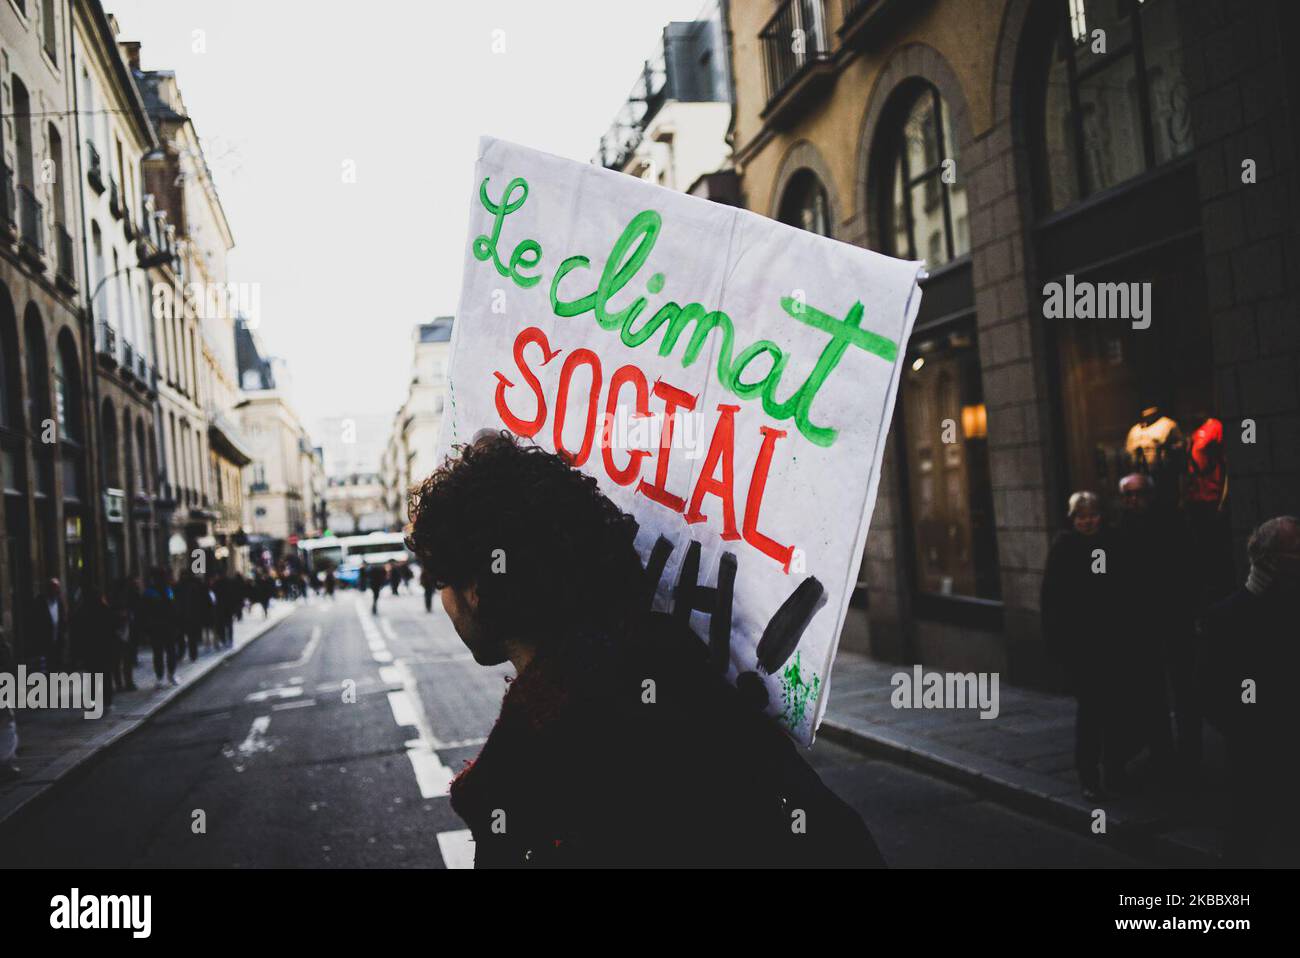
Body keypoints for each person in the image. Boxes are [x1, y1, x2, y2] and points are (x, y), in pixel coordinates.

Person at [405, 430, 883, 867]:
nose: (444, 600)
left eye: (443, 579)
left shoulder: (538, 777)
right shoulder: (678, 670)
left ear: (477, 591)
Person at [1199, 516, 1300, 866]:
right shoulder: (1227, 617)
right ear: (1273, 559)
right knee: (1248, 837)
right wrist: (1250, 728)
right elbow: (1213, 694)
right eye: (1296, 551)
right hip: (1255, 754)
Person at [1041, 491, 1130, 801]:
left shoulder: (1113, 542)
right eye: (1081, 516)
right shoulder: (1064, 548)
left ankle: (1116, 771)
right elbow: (1051, 600)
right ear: (1072, 519)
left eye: (1092, 515)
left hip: (1113, 643)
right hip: (1082, 648)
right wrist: (1059, 645)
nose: (1087, 521)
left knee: (1116, 711)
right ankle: (1089, 776)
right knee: (1091, 713)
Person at [1116, 473, 1186, 777]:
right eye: (1128, 495)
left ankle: (1189, 753)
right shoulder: (1120, 529)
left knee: (1184, 689)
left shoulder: (1171, 522)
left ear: (1150, 495)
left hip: (1174, 615)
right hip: (1140, 623)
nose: (1133, 500)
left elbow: (1189, 566)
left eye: (1139, 494)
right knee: (1151, 690)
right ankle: (1162, 753)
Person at [71, 590, 117, 712]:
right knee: (105, 676)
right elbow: (113, 628)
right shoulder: (105, 610)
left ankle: (93, 702)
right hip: (104, 648)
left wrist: (78, 651)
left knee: (92, 676)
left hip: (90, 650)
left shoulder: (82, 611)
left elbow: (77, 632)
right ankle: (107, 702)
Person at [140, 569, 180, 688]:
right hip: (168, 626)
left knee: (158, 653)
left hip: (156, 627)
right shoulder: (168, 591)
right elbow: (174, 608)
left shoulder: (149, 592)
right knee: (170, 651)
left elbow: (144, 612)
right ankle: (170, 675)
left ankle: (160, 677)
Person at [28, 579, 68, 671]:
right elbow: (35, 620)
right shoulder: (40, 601)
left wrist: (63, 632)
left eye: (57, 589)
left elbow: (63, 618)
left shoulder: (59, 602)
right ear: (49, 589)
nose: (56, 591)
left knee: (58, 662)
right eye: (54, 589)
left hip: (58, 638)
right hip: (45, 639)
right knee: (48, 664)